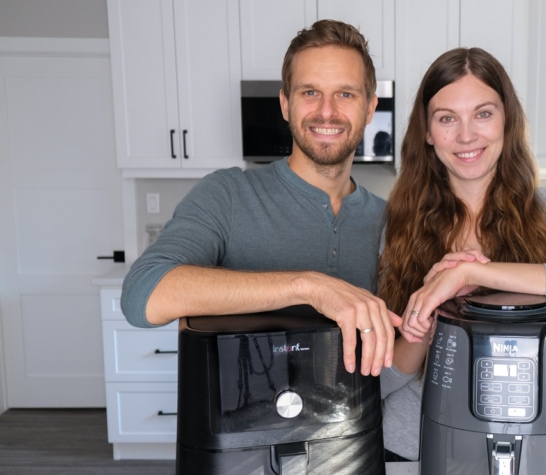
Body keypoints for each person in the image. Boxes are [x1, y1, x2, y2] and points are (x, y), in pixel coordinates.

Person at [376, 47, 546, 461]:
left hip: (533, 450)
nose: (466, 136)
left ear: (507, 119)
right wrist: (424, 324)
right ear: (427, 132)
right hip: (416, 452)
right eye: (447, 118)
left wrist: (472, 274)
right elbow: (380, 383)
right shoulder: (400, 224)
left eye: (483, 114)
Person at [121, 19, 400, 377]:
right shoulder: (228, 194)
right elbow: (142, 295)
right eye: (309, 92)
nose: (327, 111)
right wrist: (309, 287)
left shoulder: (390, 221)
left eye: (345, 94)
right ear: (285, 104)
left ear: (370, 108)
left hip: (357, 415)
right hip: (240, 413)